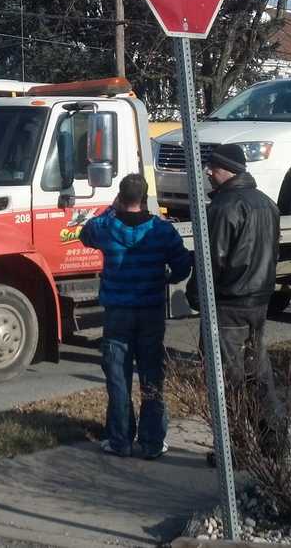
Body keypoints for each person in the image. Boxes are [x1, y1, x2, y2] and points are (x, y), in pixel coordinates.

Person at [80, 173, 192, 459]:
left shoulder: (107, 227)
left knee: (118, 376)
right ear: (144, 198)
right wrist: (166, 277)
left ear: (120, 196)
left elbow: (85, 233)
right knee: (152, 375)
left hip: (117, 312)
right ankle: (153, 442)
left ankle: (120, 439)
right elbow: (182, 265)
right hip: (150, 312)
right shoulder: (161, 230)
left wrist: (110, 208)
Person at [194, 143, 286, 463]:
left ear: (229, 170)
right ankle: (273, 441)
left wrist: (197, 294)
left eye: (213, 166)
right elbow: (274, 252)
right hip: (259, 300)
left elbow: (212, 259)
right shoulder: (267, 205)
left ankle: (237, 449)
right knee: (258, 373)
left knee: (225, 379)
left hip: (229, 301)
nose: (207, 172)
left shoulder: (223, 207)